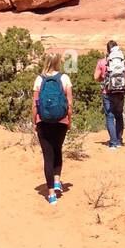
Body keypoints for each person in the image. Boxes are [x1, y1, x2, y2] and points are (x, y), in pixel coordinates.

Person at [33, 52, 73, 204]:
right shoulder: (64, 78)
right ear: (58, 61)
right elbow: (69, 104)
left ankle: (51, 195)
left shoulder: (39, 79)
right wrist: (69, 120)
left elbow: (35, 104)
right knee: (57, 150)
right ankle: (57, 181)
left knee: (47, 156)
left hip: (43, 121)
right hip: (61, 121)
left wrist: (35, 122)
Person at [95, 39, 125, 149]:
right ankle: (119, 141)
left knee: (110, 117)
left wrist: (104, 77)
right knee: (119, 116)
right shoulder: (123, 61)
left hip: (107, 92)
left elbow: (95, 77)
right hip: (120, 91)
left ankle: (113, 143)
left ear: (107, 50)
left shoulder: (102, 62)